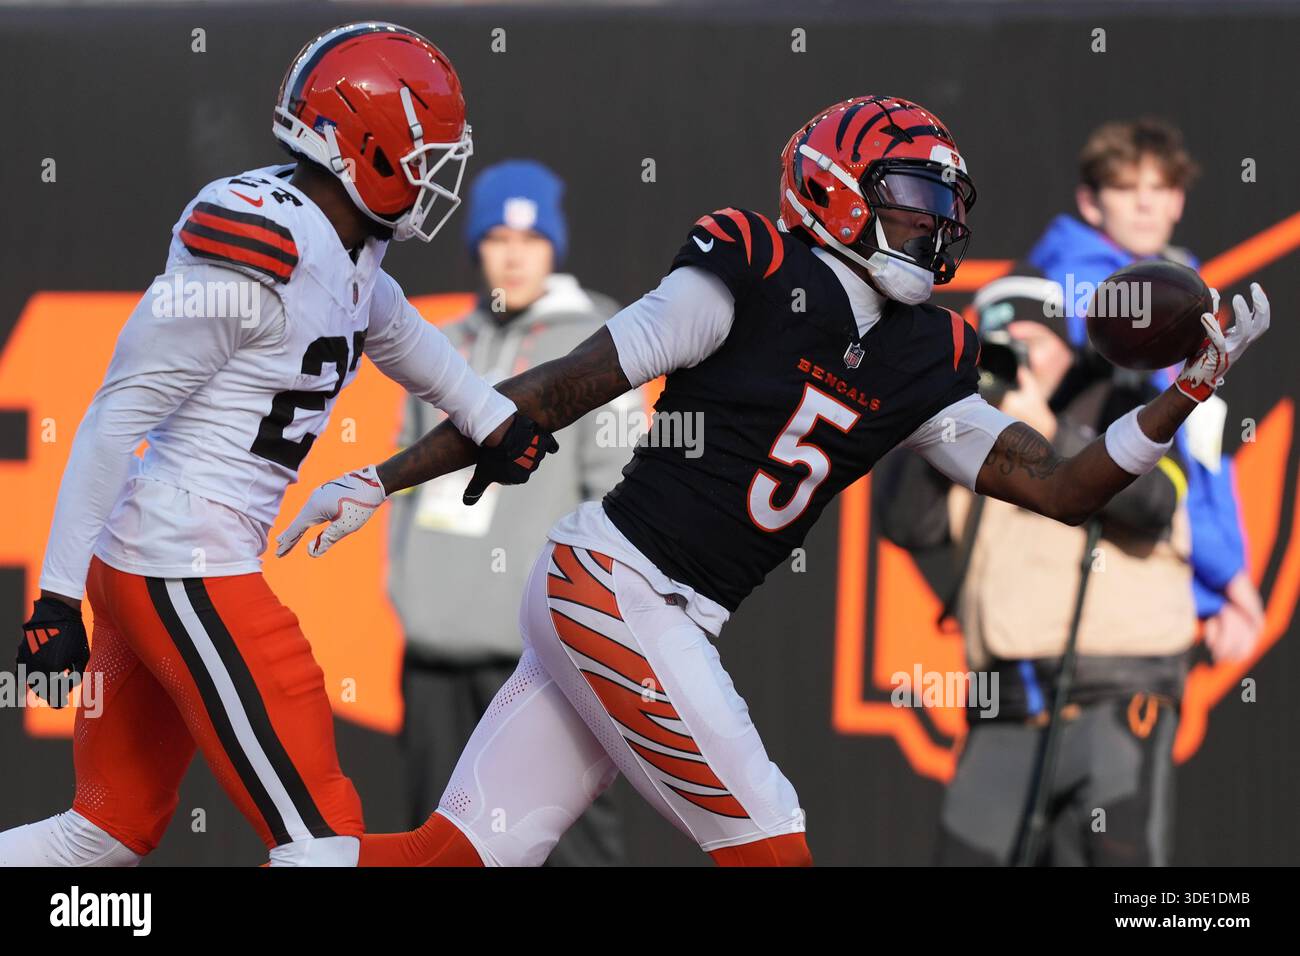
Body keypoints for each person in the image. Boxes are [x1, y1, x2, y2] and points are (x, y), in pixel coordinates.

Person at [279, 95, 1271, 867]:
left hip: (653, 606)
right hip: (619, 585)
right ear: (840, 191)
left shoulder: (927, 350)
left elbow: (1062, 488)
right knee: (770, 838)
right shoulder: (748, 267)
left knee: (451, 854)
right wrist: (383, 474)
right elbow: (552, 389)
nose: (934, 224)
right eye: (913, 198)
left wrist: (1185, 388)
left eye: (944, 205)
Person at [0, 22, 554, 868]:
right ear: (363, 147)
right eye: (423, 154)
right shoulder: (253, 248)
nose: (434, 176)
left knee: (101, 835)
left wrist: (494, 419)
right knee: (325, 842)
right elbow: (116, 416)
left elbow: (395, 328)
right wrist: (54, 600)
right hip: (185, 561)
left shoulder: (341, 238)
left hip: (161, 561)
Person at [877, 265, 1234, 865]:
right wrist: (937, 406)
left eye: (1029, 343)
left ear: (1066, 348)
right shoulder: (975, 432)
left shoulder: (1123, 402)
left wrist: (1052, 432)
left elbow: (1157, 504)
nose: (1016, 361)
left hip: (1116, 692)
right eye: (1000, 348)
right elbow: (907, 525)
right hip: (1006, 705)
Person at [390, 159, 627, 865]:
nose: (515, 254)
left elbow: (617, 499)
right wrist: (404, 589)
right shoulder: (441, 347)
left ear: (554, 246)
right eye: (497, 237)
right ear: (475, 248)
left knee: (570, 853)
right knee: (437, 852)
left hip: (542, 665)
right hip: (433, 658)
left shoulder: (598, 343)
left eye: (530, 239)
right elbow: (406, 489)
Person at [1026, 118, 1264, 659]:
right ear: (1090, 203)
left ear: (1179, 200)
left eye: (1159, 188)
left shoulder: (1180, 280)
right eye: (1125, 188)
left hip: (1167, 567)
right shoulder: (1078, 286)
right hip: (1093, 579)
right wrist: (1229, 579)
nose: (1144, 205)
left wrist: (1228, 574)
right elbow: (1154, 444)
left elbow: (1202, 449)